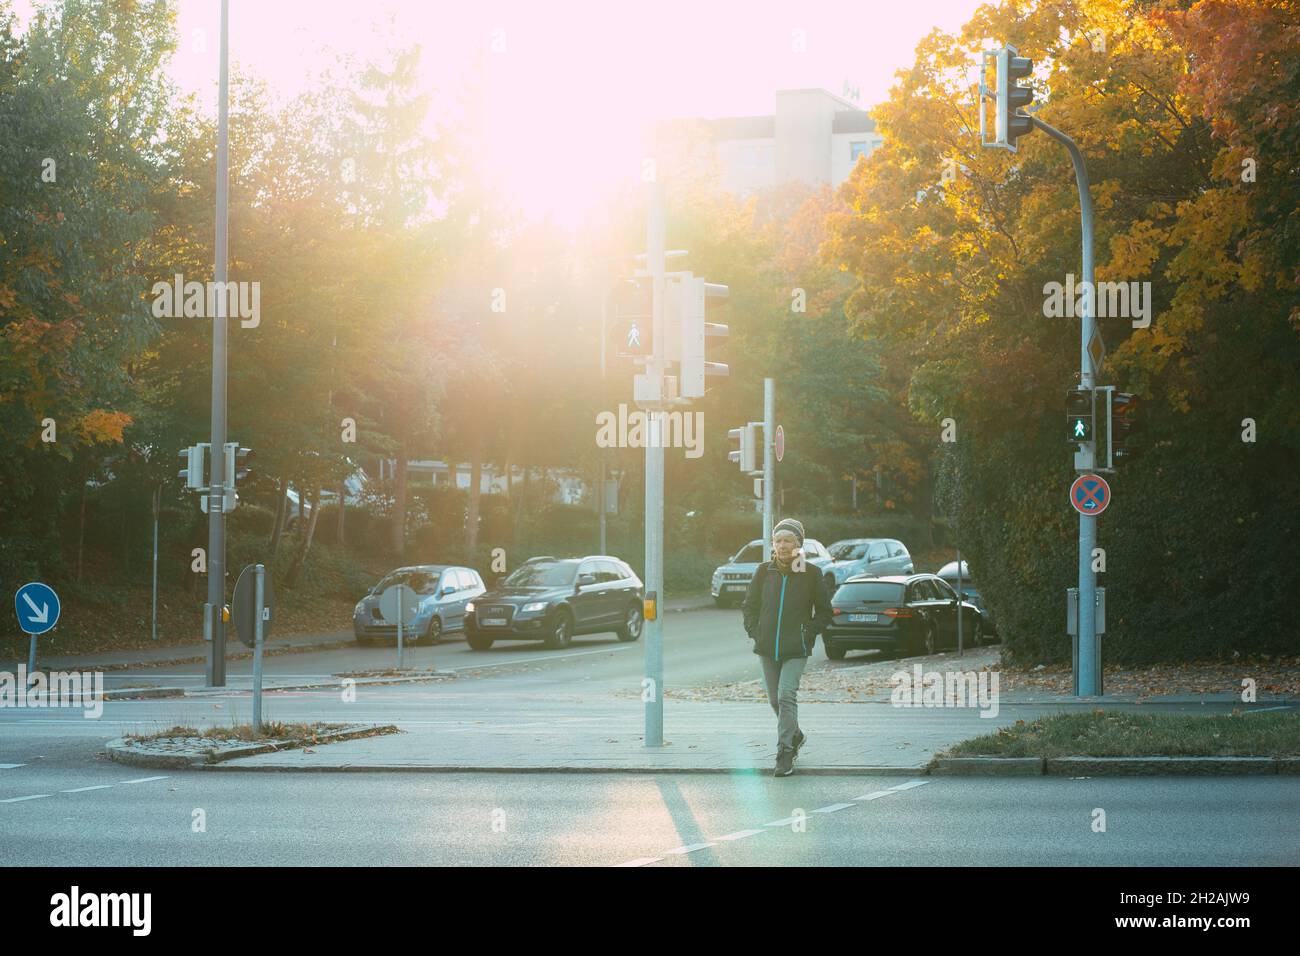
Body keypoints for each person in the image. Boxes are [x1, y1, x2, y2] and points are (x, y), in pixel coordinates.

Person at [742, 517, 832, 777]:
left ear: (798, 545)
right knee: (774, 700)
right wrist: (755, 631)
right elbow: (749, 606)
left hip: (796, 648)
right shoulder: (763, 571)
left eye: (788, 540)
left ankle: (785, 752)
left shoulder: (811, 574)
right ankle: (796, 734)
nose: (782, 545)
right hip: (767, 647)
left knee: (785, 696)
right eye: (778, 540)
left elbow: (825, 612)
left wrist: (808, 633)